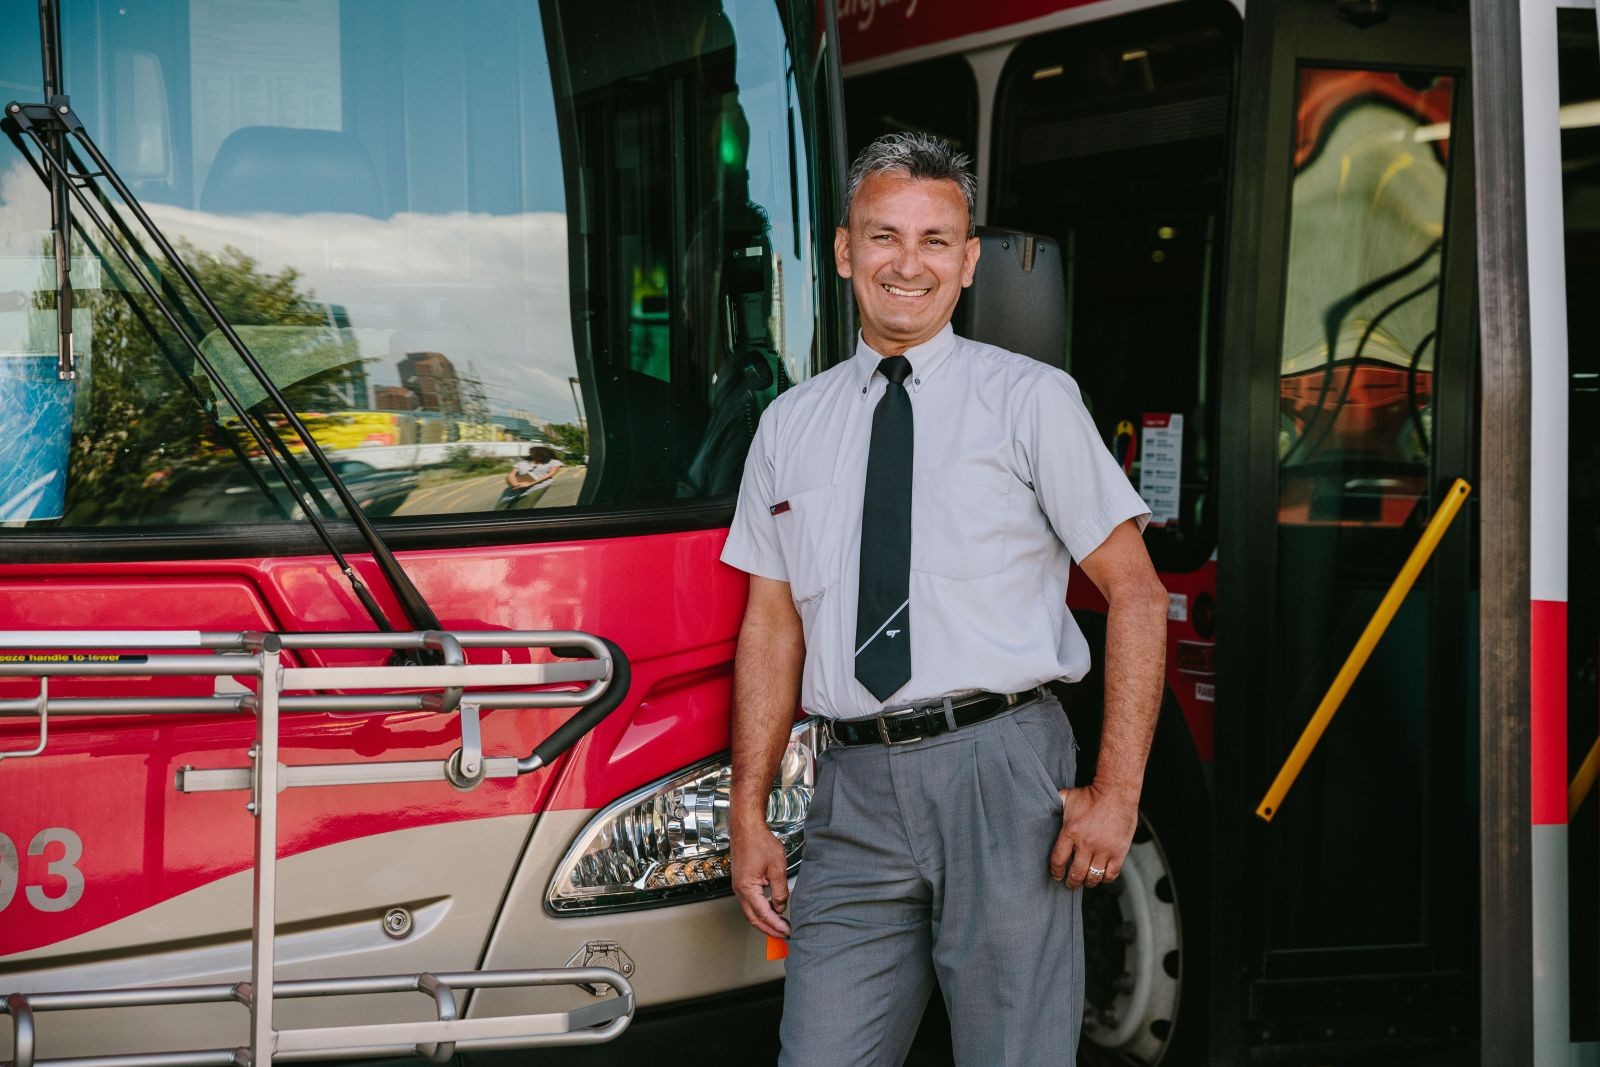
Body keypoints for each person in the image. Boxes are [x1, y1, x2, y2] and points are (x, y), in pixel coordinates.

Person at [719, 132, 1169, 1065]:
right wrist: (749, 808)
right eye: (885, 236)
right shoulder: (788, 425)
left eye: (935, 240)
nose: (907, 263)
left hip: (1003, 773)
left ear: (968, 262)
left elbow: (1136, 592)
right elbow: (770, 624)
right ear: (845, 251)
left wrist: (1118, 793)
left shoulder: (1033, 400)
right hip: (848, 790)